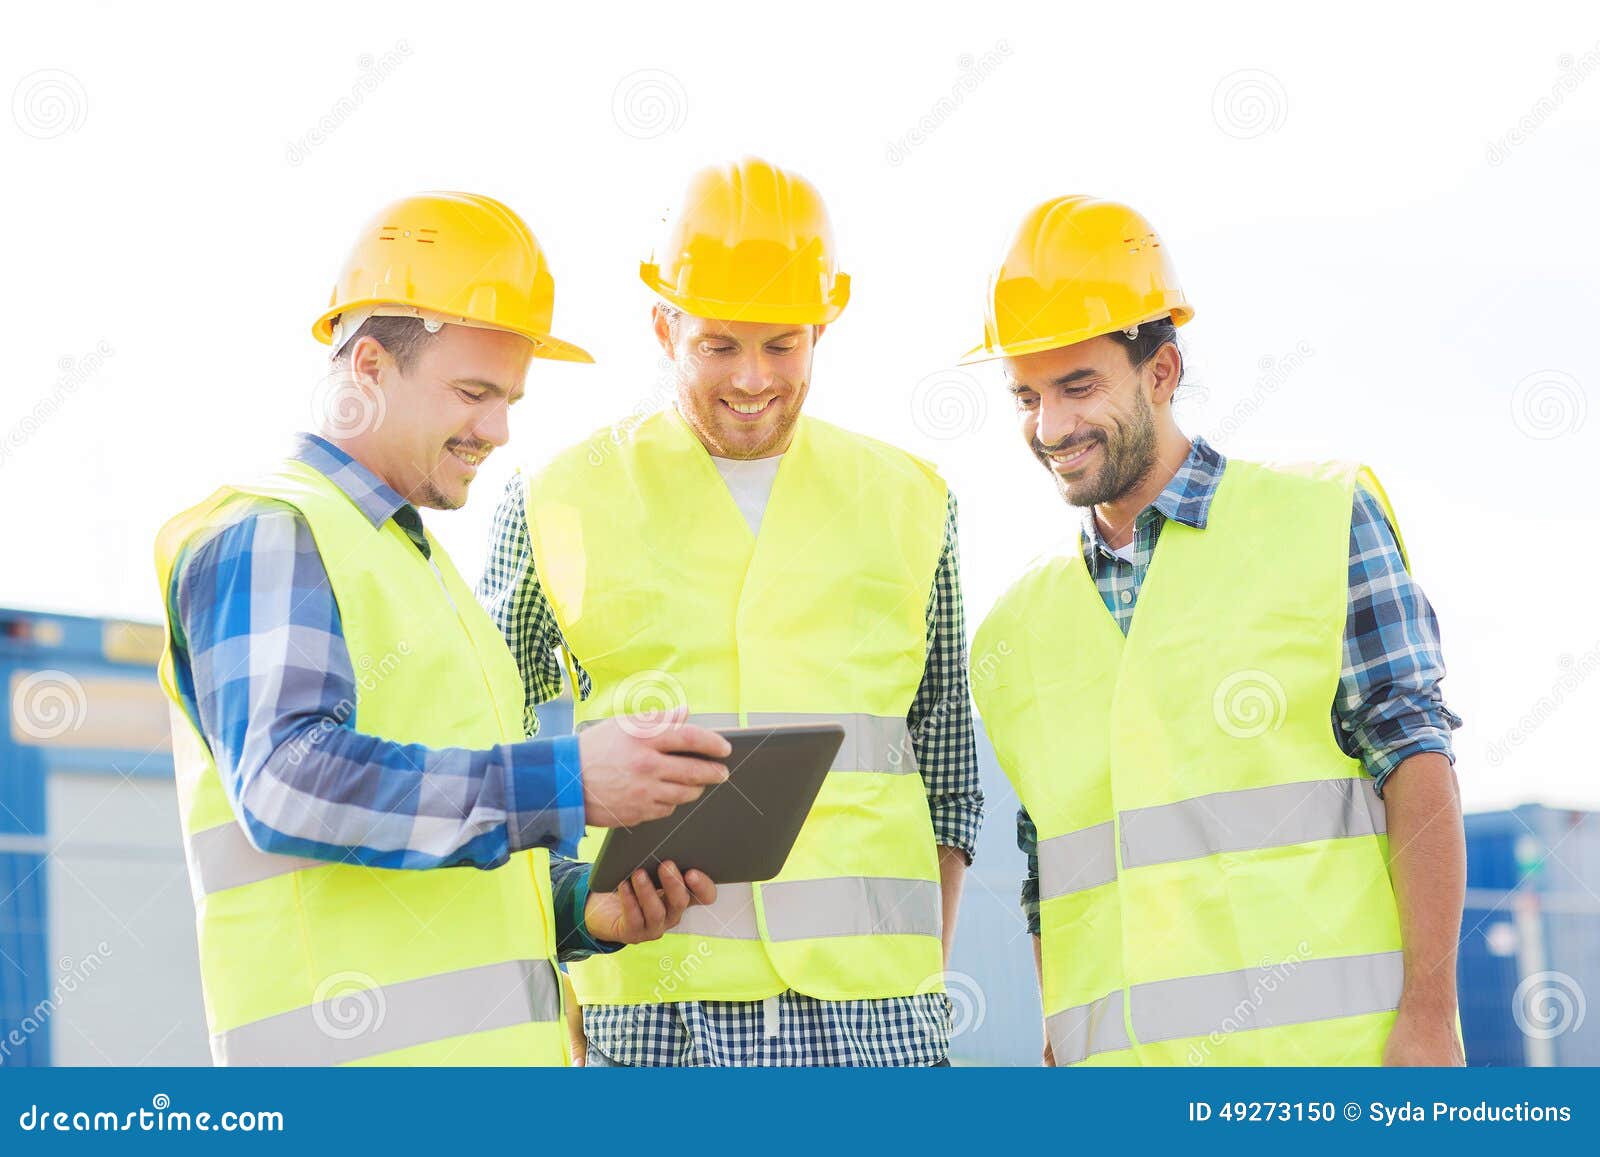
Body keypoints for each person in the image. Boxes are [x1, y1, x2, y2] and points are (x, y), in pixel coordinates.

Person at [154, 191, 730, 1066]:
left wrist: (582, 907)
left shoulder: (420, 567)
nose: (497, 430)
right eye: (473, 393)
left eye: (510, 399)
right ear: (371, 366)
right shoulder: (272, 530)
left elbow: (450, 861)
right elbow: (285, 784)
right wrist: (569, 779)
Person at [480, 159, 983, 1066]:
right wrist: (563, 950)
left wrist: (921, 975)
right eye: (719, 345)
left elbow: (947, 759)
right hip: (654, 1009)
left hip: (880, 1020)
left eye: (782, 345)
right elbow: (493, 749)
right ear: (663, 326)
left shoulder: (914, 497)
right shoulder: (554, 497)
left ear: (822, 327)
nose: (753, 378)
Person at [967, 195, 1466, 1066]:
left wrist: (1429, 1013)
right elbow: (1049, 868)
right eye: (1027, 396)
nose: (1051, 428)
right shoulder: (1016, 628)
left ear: (1161, 371)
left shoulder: (1322, 518)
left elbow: (1415, 759)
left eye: (1078, 386)